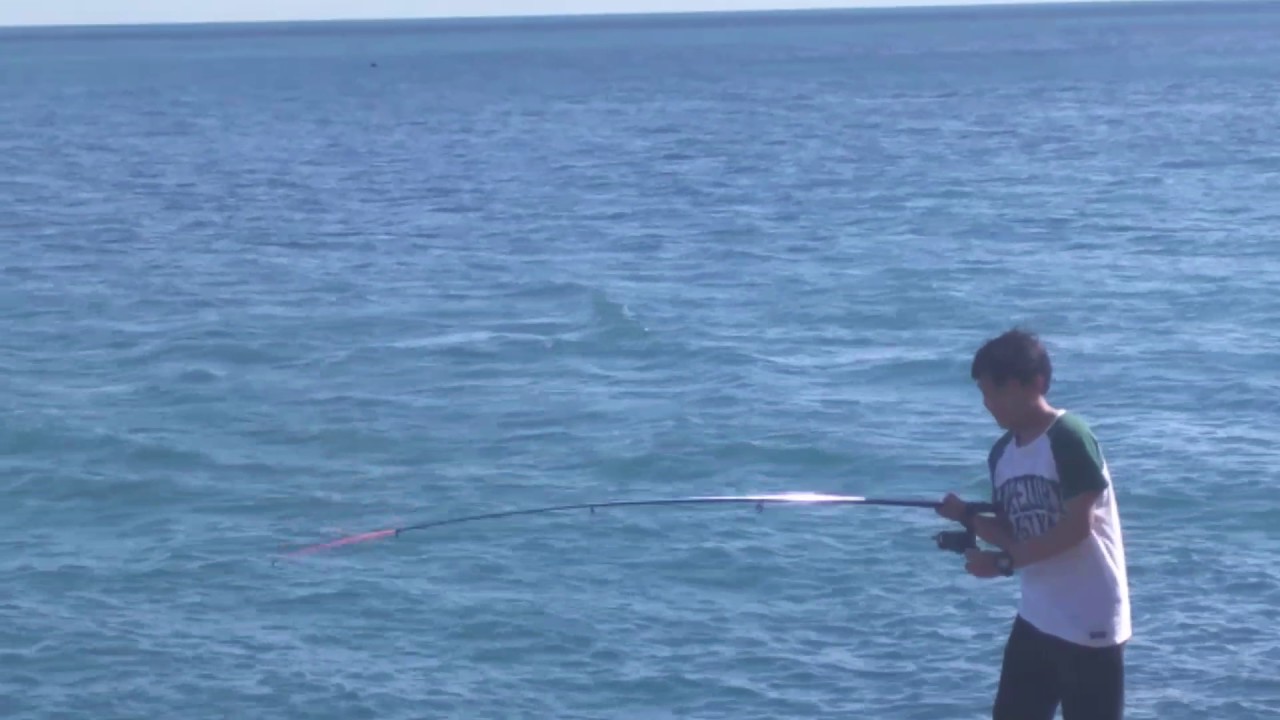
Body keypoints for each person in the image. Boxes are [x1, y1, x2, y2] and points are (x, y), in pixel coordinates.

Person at [937, 328, 1131, 720]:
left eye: (995, 391)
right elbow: (1017, 535)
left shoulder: (1069, 436)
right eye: (983, 393)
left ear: (1034, 383)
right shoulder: (1001, 455)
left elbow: (1078, 528)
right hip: (1036, 619)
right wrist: (969, 518)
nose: (988, 404)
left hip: (1090, 624)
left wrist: (1002, 565)